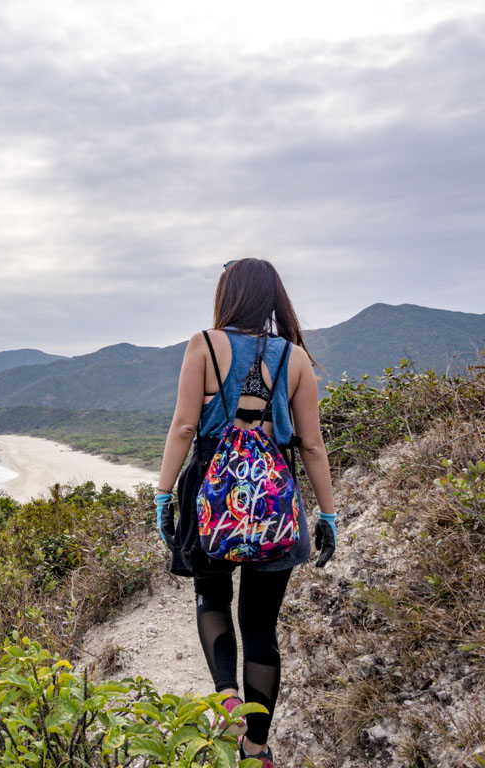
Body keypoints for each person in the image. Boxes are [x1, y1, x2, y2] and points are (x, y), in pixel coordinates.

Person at [152, 258, 338, 767]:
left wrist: (164, 495)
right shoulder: (295, 358)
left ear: (228, 295)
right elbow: (313, 444)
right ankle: (256, 749)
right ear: (274, 296)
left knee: (211, 594)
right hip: (275, 506)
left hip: (210, 498)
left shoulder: (205, 345)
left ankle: (226, 692)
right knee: (261, 628)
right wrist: (327, 515)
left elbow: (184, 428)